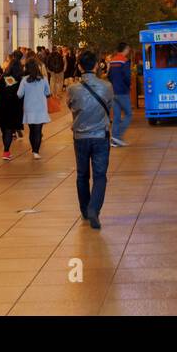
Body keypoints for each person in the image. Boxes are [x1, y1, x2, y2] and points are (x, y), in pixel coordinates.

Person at [67, 50, 113, 229]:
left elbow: (70, 106)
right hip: (100, 135)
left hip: (80, 137)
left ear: (79, 66)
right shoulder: (106, 86)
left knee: (82, 175)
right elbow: (109, 106)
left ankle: (85, 210)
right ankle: (94, 208)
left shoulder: (72, 88)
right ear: (96, 65)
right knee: (100, 175)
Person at [18, 57, 51, 159]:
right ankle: (36, 151)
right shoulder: (44, 79)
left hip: (29, 108)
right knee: (38, 130)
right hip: (41, 108)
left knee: (32, 130)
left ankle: (34, 150)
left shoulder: (24, 80)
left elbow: (19, 94)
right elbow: (48, 92)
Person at [0, 55, 24, 160]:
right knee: (10, 130)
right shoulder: (20, 79)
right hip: (14, 107)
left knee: (4, 128)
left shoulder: (2, 77)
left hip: (2, 106)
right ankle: (6, 151)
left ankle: (6, 151)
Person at [108, 42, 133, 148]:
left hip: (113, 91)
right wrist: (128, 86)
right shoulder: (124, 61)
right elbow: (127, 76)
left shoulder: (113, 60)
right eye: (128, 49)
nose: (129, 50)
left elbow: (109, 75)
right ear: (125, 49)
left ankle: (114, 139)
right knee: (129, 114)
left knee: (117, 116)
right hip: (122, 91)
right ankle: (117, 136)